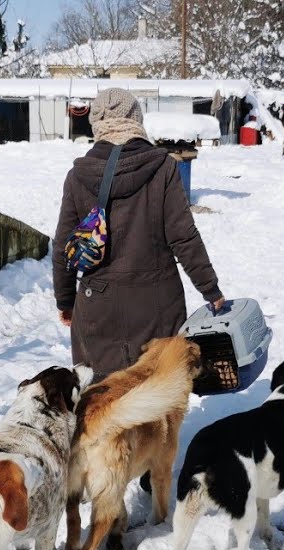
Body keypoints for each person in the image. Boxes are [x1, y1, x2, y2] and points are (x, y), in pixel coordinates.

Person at [52, 88, 225, 380]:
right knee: (157, 393)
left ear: (97, 123)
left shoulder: (79, 176)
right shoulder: (162, 167)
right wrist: (210, 289)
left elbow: (63, 247)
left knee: (105, 398)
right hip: (157, 303)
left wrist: (65, 301)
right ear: (136, 118)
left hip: (98, 305)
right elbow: (183, 236)